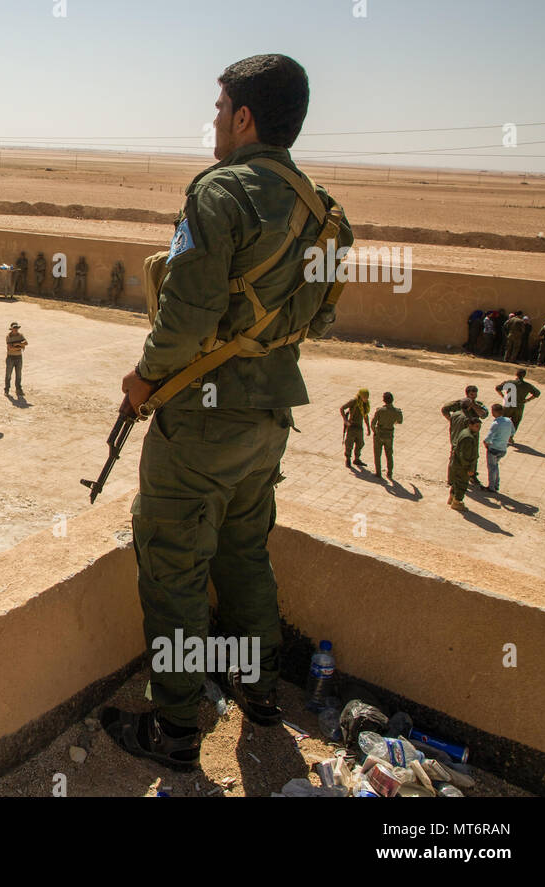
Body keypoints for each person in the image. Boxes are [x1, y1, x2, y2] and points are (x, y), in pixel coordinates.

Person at [104, 54, 352, 770]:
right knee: (245, 552)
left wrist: (146, 378)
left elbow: (182, 319)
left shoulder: (220, 193)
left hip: (202, 424)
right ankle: (261, 689)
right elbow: (321, 320)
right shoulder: (326, 213)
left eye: (218, 109)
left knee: (176, 569)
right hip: (270, 416)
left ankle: (178, 728)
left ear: (244, 118)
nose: (213, 122)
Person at [495, 368, 541, 444]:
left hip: (508, 405)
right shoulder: (527, 385)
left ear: (516, 374)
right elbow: (537, 393)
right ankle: (510, 437)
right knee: (515, 422)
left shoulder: (509, 382)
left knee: (503, 420)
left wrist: (502, 395)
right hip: (519, 406)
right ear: (524, 376)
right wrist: (527, 400)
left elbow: (497, 388)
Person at [448, 417, 481, 511]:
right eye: (476, 426)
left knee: (456, 482)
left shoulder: (466, 432)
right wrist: (470, 468)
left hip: (458, 464)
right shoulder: (468, 437)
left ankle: (452, 497)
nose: (478, 428)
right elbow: (465, 456)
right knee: (462, 484)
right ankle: (457, 502)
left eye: (479, 426)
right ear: (470, 425)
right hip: (463, 466)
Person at [371, 392, 403, 480]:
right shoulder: (397, 411)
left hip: (379, 434)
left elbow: (373, 424)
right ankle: (389, 473)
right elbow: (399, 421)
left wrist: (375, 432)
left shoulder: (380, 410)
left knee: (377, 454)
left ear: (384, 400)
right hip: (389, 435)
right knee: (389, 455)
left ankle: (378, 472)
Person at [483, 404, 513, 493]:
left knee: (492, 468)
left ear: (495, 412)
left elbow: (488, 437)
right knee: (495, 466)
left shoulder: (495, 423)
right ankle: (496, 485)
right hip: (503, 449)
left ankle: (491, 487)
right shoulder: (508, 421)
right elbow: (512, 432)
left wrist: (485, 443)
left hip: (494, 448)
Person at [340, 388, 370, 467]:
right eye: (365, 397)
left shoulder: (365, 404)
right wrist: (345, 420)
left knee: (360, 443)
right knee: (349, 444)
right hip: (352, 426)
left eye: (367, 397)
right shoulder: (354, 401)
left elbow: (366, 415)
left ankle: (357, 459)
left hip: (359, 427)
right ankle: (348, 459)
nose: (366, 399)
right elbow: (342, 408)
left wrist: (368, 427)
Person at [4, 322, 27, 397]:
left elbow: (26, 343)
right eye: (14, 328)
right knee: (8, 375)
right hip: (10, 357)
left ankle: (18, 389)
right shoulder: (8, 336)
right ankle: (6, 390)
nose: (16, 329)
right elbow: (10, 348)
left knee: (19, 374)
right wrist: (21, 346)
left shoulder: (20, 335)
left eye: (17, 328)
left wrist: (18, 345)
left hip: (19, 357)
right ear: (12, 329)